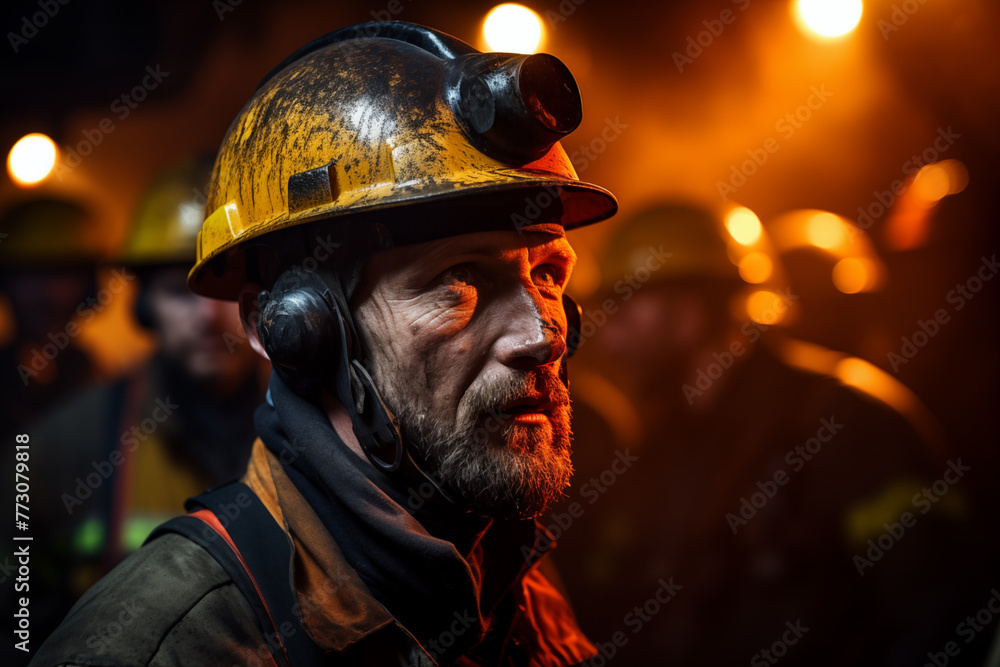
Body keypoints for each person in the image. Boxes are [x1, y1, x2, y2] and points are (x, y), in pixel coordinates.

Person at [30, 21, 617, 666]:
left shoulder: (523, 593)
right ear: (292, 329)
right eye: (460, 279)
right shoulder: (163, 648)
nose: (542, 337)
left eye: (547, 275)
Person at [552, 203, 983, 666]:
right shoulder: (670, 446)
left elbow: (941, 613)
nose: (609, 331)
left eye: (624, 303)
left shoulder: (845, 421)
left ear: (690, 313)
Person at [21, 156, 267, 651]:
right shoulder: (62, 446)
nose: (206, 317)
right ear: (143, 307)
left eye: (223, 289)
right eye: (180, 291)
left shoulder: (328, 428)